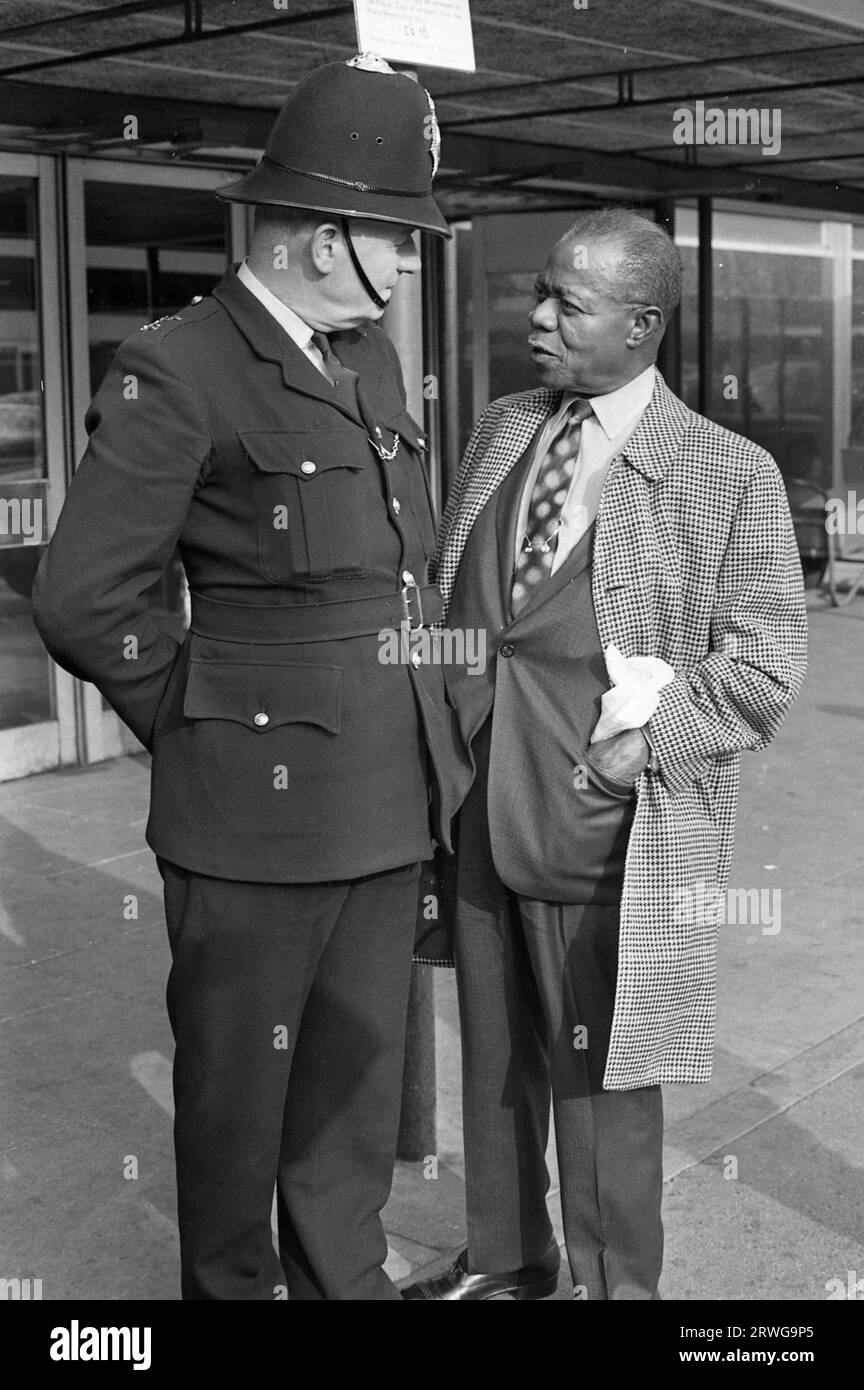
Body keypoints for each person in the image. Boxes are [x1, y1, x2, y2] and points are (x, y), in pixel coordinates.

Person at [32, 55, 468, 1301]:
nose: (404, 267)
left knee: (349, 1088)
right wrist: (194, 714)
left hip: (386, 800)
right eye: (395, 241)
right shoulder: (180, 366)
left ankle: (345, 1283)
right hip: (253, 823)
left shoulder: (368, 359)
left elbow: (399, 565)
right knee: (235, 1113)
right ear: (326, 238)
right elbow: (83, 595)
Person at [405, 207, 807, 1301]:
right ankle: (507, 1258)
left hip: (608, 830)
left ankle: (615, 1284)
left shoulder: (727, 472)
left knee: (603, 1076)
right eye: (539, 292)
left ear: (643, 326)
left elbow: (765, 663)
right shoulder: (499, 431)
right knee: (492, 1055)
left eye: (567, 305)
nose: (536, 317)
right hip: (477, 803)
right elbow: (463, 598)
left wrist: (640, 753)